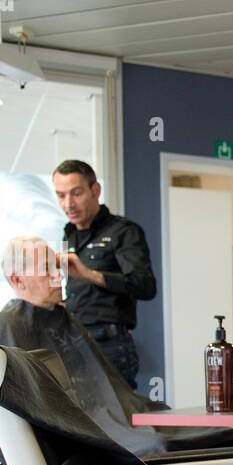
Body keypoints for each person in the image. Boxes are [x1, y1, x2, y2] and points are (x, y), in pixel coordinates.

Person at [0, 237, 233, 459]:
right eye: (45, 271)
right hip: (78, 436)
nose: (57, 278)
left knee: (225, 433)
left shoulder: (62, 318)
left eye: (56, 268)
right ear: (17, 279)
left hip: (115, 418)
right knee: (155, 446)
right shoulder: (9, 329)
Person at [52, 159, 156, 390]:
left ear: (95, 190)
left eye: (76, 193)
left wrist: (90, 274)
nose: (68, 203)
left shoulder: (123, 232)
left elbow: (145, 286)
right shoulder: (68, 234)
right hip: (74, 340)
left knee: (115, 422)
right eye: (61, 195)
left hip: (110, 344)